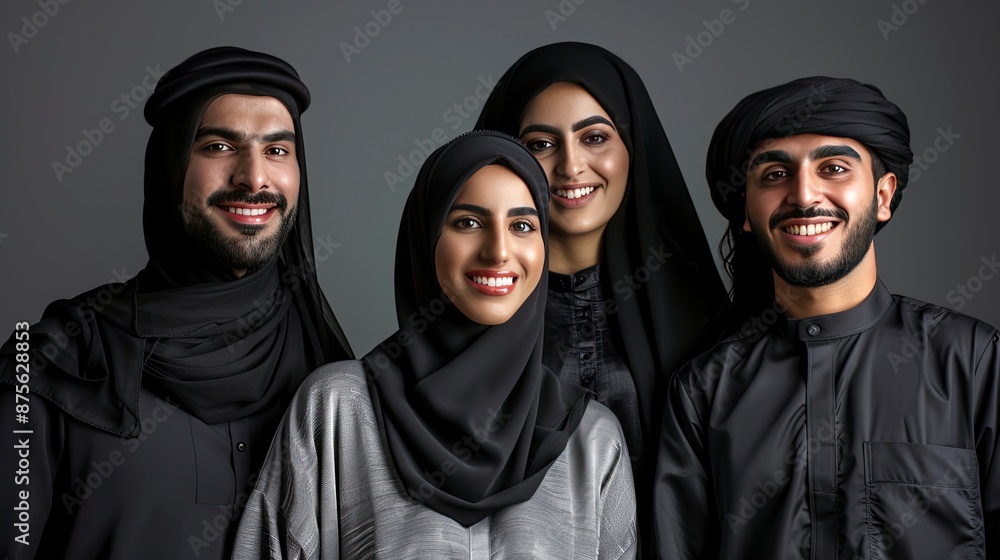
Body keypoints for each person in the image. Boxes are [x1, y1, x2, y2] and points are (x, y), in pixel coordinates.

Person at [0, 46, 353, 560]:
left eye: (277, 150)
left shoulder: (332, 376)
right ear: (169, 166)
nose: (254, 178)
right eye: (219, 146)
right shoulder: (52, 361)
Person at [233, 130, 637, 559]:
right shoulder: (335, 411)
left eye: (522, 226)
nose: (498, 251)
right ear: (424, 239)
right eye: (468, 223)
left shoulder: (592, 441)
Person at [653, 75, 1000, 559]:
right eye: (775, 174)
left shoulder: (974, 362)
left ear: (883, 196)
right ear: (745, 211)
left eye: (834, 168)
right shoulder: (703, 392)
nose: (803, 195)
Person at [474, 41, 728, 553]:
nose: (570, 166)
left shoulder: (709, 325)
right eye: (540, 144)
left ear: (633, 147)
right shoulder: (469, 316)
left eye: (594, 137)